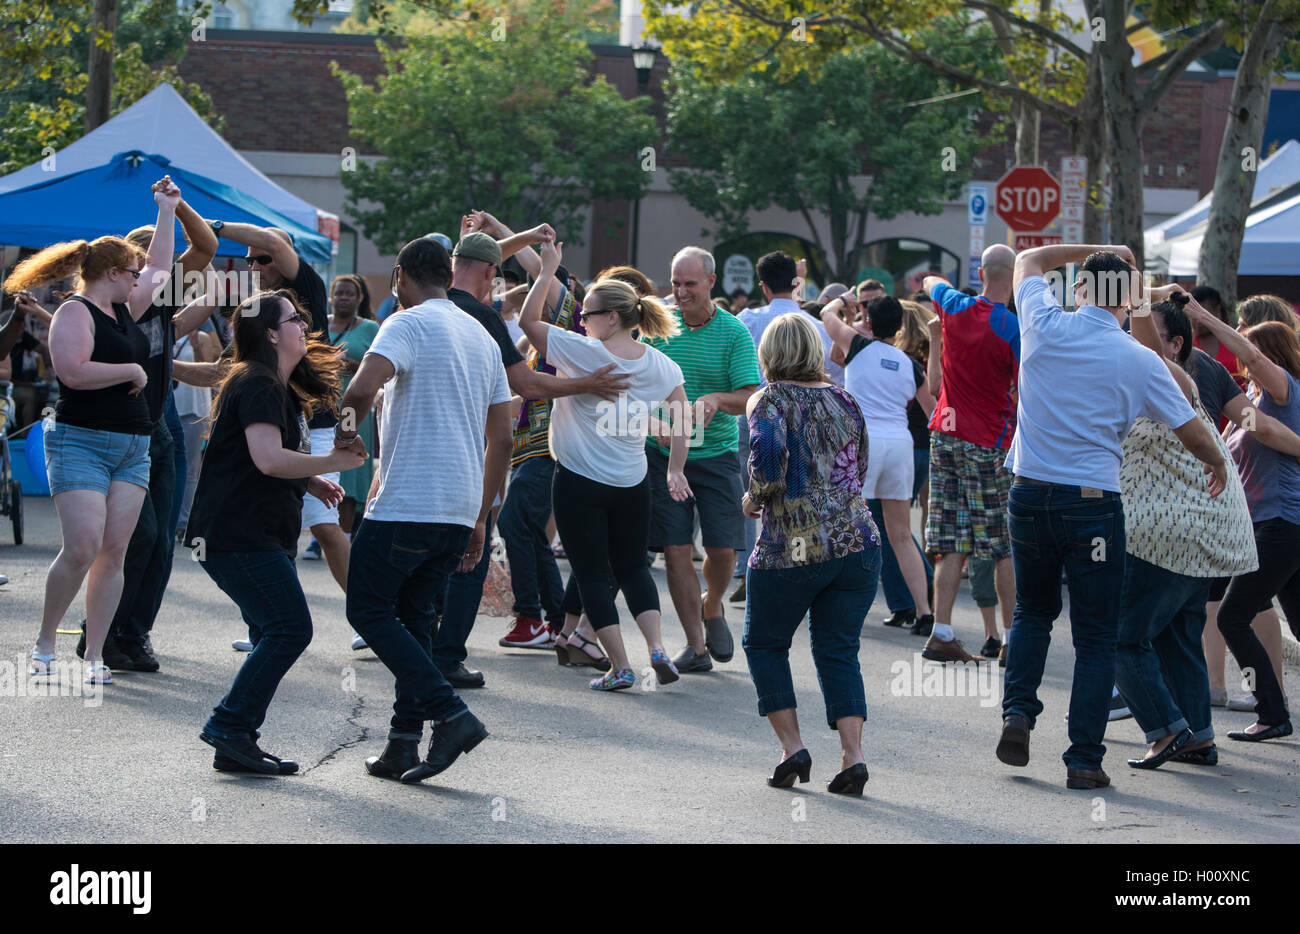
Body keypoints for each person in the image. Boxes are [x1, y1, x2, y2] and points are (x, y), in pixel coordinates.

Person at [997, 243, 1228, 790]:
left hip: (1029, 493)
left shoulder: (1043, 323)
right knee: (1096, 636)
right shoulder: (1139, 358)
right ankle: (1083, 759)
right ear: (1128, 300)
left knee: (1032, 611)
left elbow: (1027, 260)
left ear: (1079, 290)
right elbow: (1188, 423)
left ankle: (1018, 714)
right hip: (1094, 505)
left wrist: (1098, 251)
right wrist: (1216, 459)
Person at [337, 236, 511, 783]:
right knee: (415, 622)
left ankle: (451, 714)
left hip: (411, 499)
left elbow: (362, 389)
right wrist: (482, 516)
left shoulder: (405, 323)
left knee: (367, 610)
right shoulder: (482, 336)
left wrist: (343, 441)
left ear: (400, 276)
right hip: (459, 504)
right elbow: (503, 437)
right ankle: (402, 744)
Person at [435, 212, 628, 687]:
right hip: (519, 439)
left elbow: (535, 273)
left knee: (517, 522)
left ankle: (540, 620)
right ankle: (552, 622)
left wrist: (533, 257)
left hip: (549, 441)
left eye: (588, 309)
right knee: (519, 530)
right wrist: (506, 232)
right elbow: (514, 265)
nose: (582, 314)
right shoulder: (559, 326)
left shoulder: (571, 322)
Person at [3, 189, 181, 683]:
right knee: (82, 547)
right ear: (111, 273)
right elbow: (73, 372)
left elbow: (163, 267)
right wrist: (131, 370)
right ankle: (43, 644)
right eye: (131, 271)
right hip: (80, 441)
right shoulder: (74, 312)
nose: (138, 279)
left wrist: (167, 211)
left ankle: (95, 654)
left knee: (115, 550)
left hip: (133, 446)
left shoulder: (127, 309)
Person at [186, 290, 360, 773]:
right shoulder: (259, 383)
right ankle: (229, 725)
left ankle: (236, 738)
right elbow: (266, 460)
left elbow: (256, 457)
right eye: (292, 319)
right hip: (237, 535)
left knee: (272, 630)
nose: (303, 325)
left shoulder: (275, 385)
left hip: (254, 532)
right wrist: (333, 461)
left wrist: (309, 477)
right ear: (268, 333)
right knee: (289, 629)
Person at [519, 239, 693, 690]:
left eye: (589, 313)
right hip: (631, 482)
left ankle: (621, 667)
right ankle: (656, 648)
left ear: (612, 318)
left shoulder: (585, 352)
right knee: (633, 566)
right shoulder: (661, 365)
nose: (582, 320)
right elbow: (681, 421)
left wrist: (547, 271)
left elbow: (527, 321)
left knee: (593, 572)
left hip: (579, 481)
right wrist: (675, 469)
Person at [1114, 289, 1258, 769]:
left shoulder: (1172, 375)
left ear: (1173, 343)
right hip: (1195, 531)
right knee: (1177, 637)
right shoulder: (1154, 375)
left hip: (1168, 533)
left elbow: (1144, 352)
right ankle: (1197, 735)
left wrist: (1132, 298)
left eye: (1142, 328)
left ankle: (1167, 731)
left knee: (1119, 636)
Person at [742, 313, 882, 794]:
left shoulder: (769, 398)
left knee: (764, 644)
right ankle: (853, 758)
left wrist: (754, 498)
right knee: (838, 650)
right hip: (857, 539)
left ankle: (793, 749)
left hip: (793, 545)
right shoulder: (845, 397)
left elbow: (768, 461)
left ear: (770, 353)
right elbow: (859, 464)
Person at [84, 182, 219, 673]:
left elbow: (205, 248)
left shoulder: (162, 306)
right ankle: (102, 631)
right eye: (138, 264)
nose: (149, 272)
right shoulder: (112, 307)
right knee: (132, 537)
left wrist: (176, 205)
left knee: (161, 539)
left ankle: (133, 634)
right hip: (122, 428)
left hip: (160, 424)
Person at [208, 220, 353, 599]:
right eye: (249, 261)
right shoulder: (257, 316)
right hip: (274, 426)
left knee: (322, 524)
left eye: (262, 259)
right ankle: (267, 619)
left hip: (315, 425)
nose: (254, 268)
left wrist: (212, 225)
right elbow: (218, 372)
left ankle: (368, 617)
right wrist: (157, 368)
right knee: (272, 517)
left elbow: (273, 239)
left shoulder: (302, 289)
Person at [644, 246, 761, 673]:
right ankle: (695, 646)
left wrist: (714, 399)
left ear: (712, 282)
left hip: (716, 455)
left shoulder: (733, 332)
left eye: (689, 284)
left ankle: (713, 605)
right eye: (675, 283)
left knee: (724, 550)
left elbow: (751, 395)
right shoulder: (657, 326)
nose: (680, 292)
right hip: (662, 455)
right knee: (675, 552)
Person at [1191, 303, 1300, 742]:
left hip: (1282, 523)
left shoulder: (1284, 391)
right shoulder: (1254, 402)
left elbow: (1255, 360)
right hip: (1274, 525)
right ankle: (1272, 711)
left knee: (1233, 616)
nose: (1239, 356)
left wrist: (1201, 314)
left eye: (1246, 346)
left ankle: (1272, 713)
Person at [821, 293, 936, 642]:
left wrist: (846, 299)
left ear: (869, 322)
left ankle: (840, 605)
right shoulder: (908, 363)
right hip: (900, 444)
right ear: (900, 326)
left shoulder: (857, 345)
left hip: (865, 443)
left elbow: (826, 313)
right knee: (900, 534)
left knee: (846, 527)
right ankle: (924, 612)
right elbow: (932, 409)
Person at [733, 251, 804, 603]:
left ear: (762, 285)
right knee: (795, 490)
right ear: (796, 282)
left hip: (755, 411)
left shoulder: (747, 318)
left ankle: (749, 565)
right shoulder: (812, 322)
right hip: (802, 416)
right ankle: (795, 560)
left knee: (749, 490)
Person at [867, 298, 939, 635]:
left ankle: (919, 593)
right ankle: (912, 605)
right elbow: (936, 410)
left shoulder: (873, 355)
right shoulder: (918, 363)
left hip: (890, 449)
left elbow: (935, 400)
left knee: (880, 528)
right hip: (911, 449)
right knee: (893, 530)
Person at [326, 274, 380, 538]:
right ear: (331, 297)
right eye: (339, 293)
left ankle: (344, 534)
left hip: (355, 412)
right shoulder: (318, 327)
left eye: (349, 293)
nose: (344, 298)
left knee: (348, 470)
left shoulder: (370, 328)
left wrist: (355, 367)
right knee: (322, 467)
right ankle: (320, 533)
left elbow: (383, 368)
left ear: (359, 298)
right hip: (323, 409)